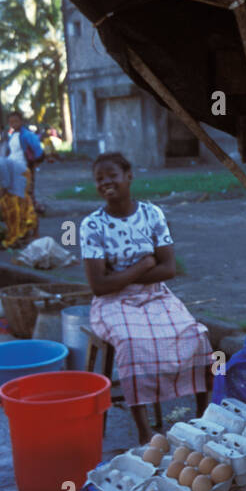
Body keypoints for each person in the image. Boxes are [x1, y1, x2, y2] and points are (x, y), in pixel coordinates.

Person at [80, 152, 211, 444]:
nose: (106, 183)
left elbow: (169, 268)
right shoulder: (92, 225)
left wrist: (122, 274)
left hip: (155, 295)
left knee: (196, 335)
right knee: (132, 343)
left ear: (129, 176)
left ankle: (203, 415)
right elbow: (99, 286)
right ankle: (144, 430)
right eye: (99, 179)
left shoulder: (152, 214)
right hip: (113, 302)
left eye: (112, 175)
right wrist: (142, 265)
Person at [0, 111, 43, 233]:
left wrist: (32, 168)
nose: (13, 124)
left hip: (25, 172)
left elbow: (38, 153)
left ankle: (35, 231)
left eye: (16, 121)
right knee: (18, 202)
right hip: (13, 172)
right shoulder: (12, 136)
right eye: (11, 122)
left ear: (21, 121)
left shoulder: (27, 135)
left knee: (29, 201)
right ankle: (23, 231)